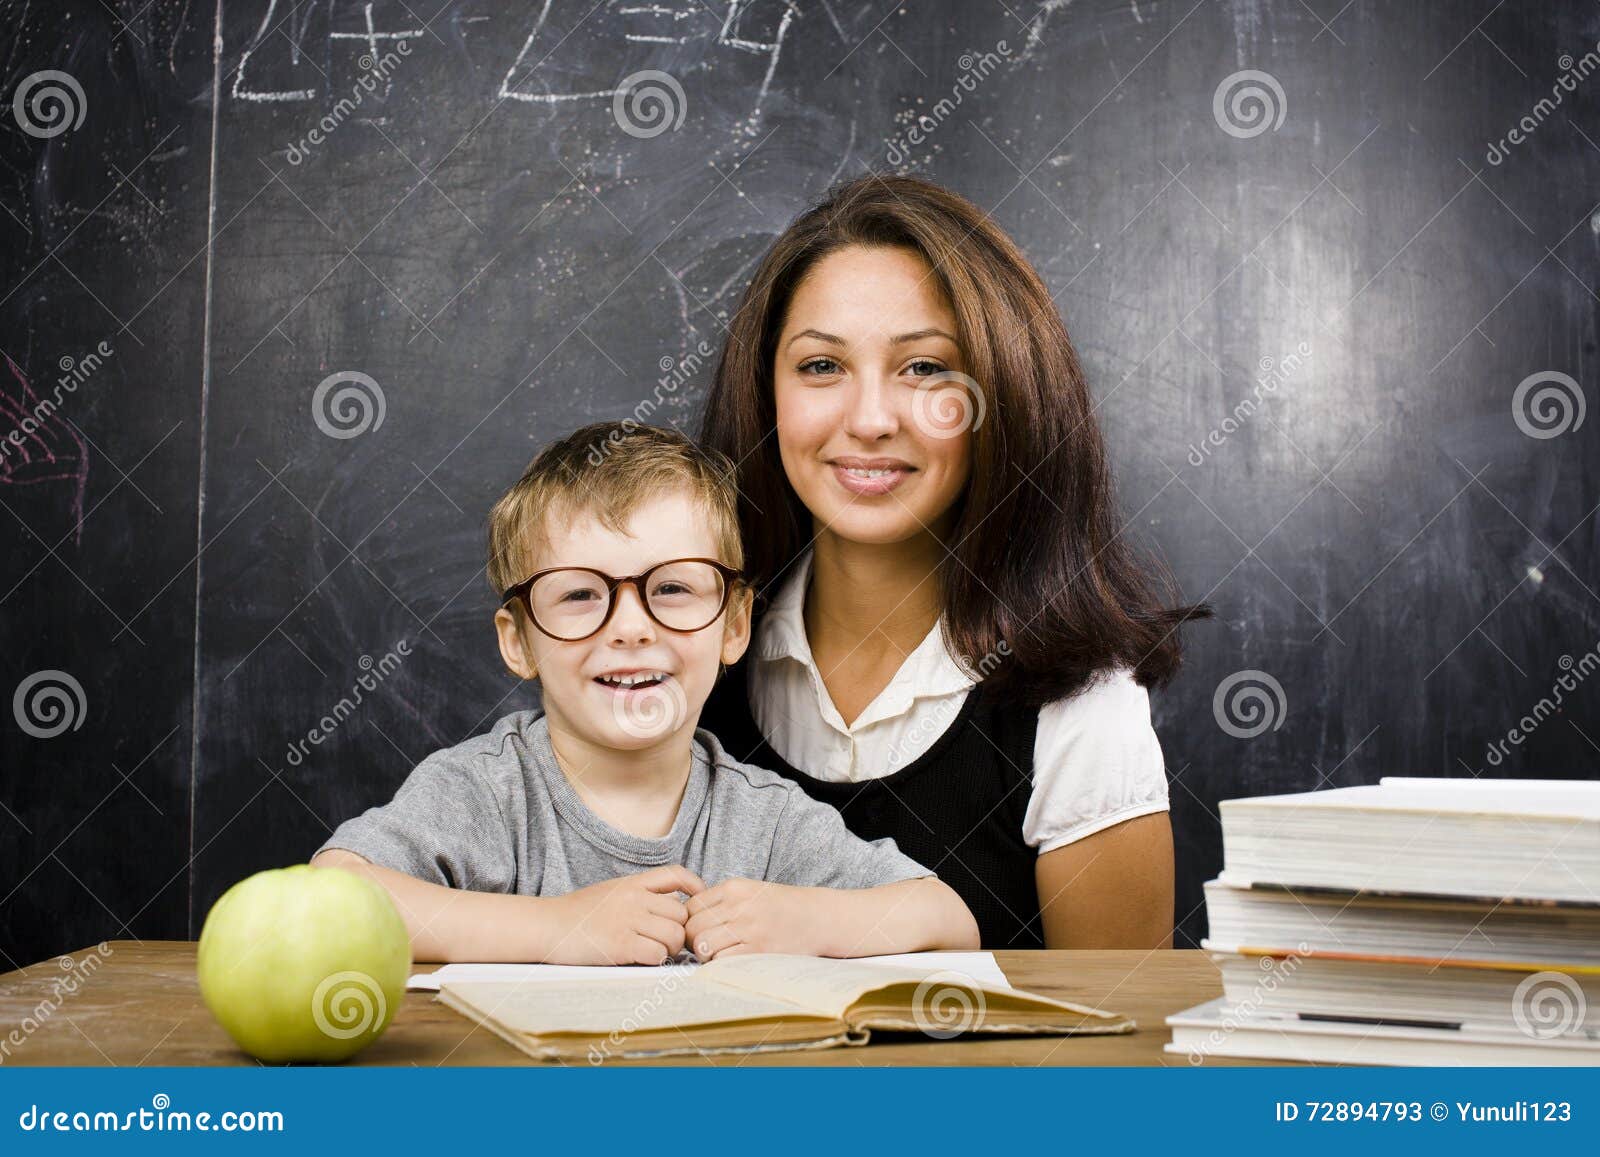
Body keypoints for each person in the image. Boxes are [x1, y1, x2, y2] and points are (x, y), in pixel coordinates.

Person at [699, 173, 1208, 949]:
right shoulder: (682, 657)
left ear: (1001, 396)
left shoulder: (1078, 708)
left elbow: (1116, 1022)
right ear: (764, 392)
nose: (871, 420)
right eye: (822, 366)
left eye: (925, 368)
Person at [310, 422, 978, 964]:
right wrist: (557, 928)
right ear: (519, 642)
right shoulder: (488, 793)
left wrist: (809, 919)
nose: (631, 628)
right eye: (580, 594)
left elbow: (949, 921)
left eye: (673, 588)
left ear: (734, 624)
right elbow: (334, 895)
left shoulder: (764, 821)